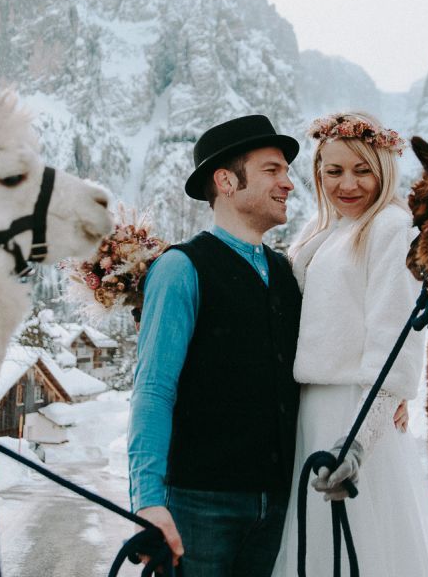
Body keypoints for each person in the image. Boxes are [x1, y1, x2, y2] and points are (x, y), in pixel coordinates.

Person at [272, 111, 428, 576]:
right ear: (318, 174)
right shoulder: (323, 232)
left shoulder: (391, 229)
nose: (347, 184)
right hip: (311, 410)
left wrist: (358, 439)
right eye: (333, 171)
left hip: (351, 413)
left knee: (354, 548)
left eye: (362, 170)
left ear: (384, 170)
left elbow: (394, 338)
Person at [128, 114, 303, 576]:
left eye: (287, 171)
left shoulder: (286, 274)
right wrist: (147, 501)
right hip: (199, 506)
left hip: (279, 506)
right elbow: (154, 388)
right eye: (273, 170)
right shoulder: (181, 269)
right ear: (225, 180)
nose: (288, 184)